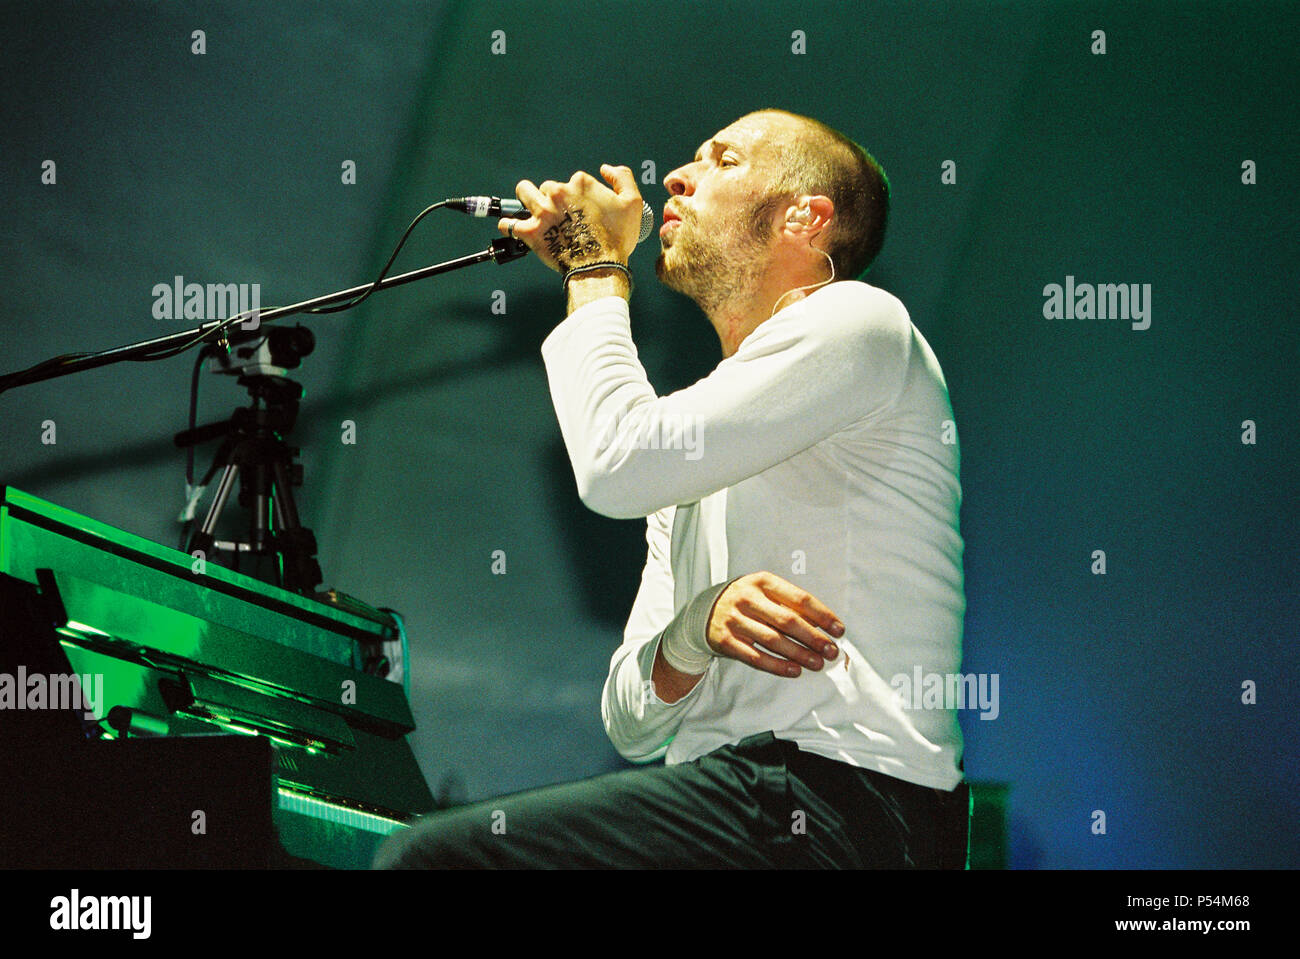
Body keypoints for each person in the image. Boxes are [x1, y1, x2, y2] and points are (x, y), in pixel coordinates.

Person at [374, 109, 969, 869]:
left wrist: (591, 265)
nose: (679, 177)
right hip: (740, 796)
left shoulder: (863, 322)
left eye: (721, 160)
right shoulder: (697, 445)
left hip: (847, 800)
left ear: (805, 217)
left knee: (434, 862)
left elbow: (615, 461)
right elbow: (631, 721)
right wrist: (697, 624)